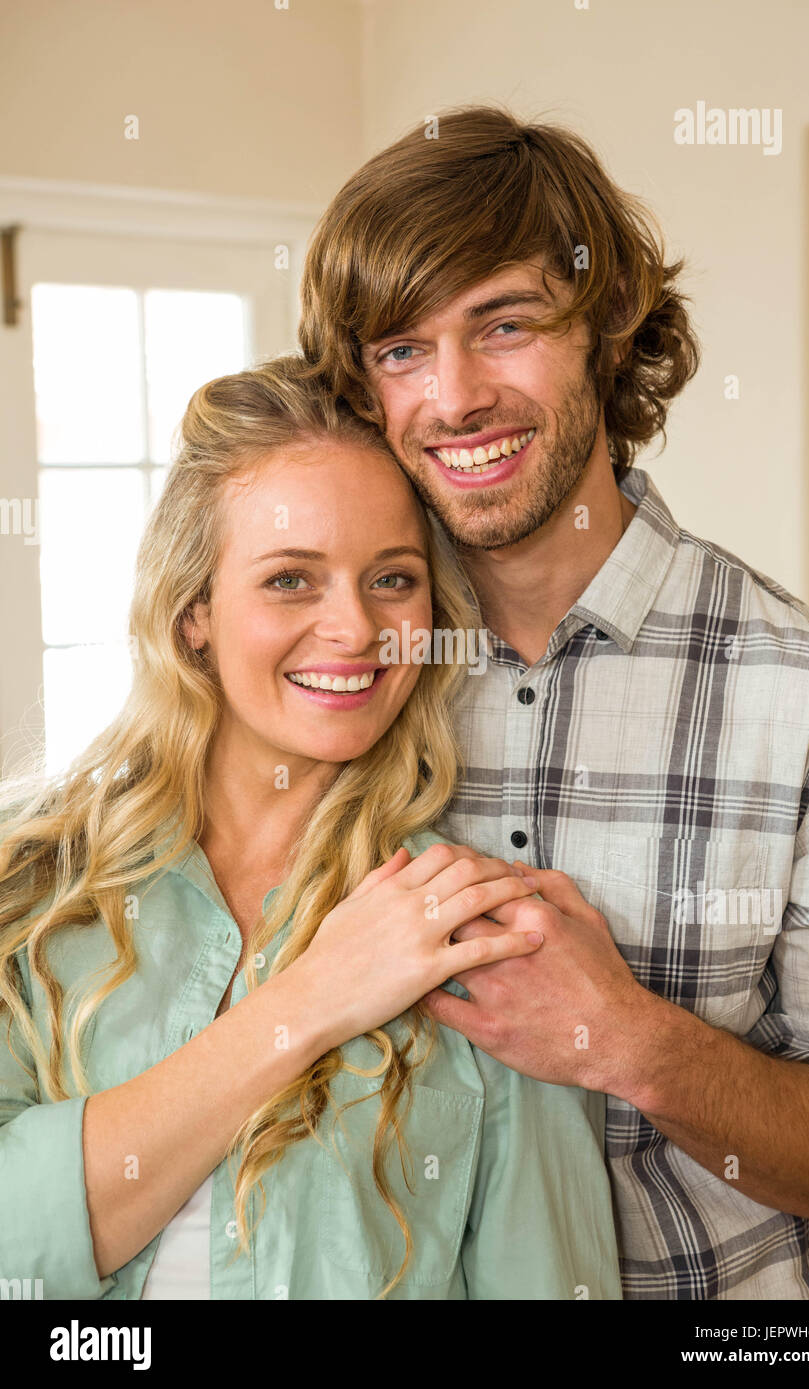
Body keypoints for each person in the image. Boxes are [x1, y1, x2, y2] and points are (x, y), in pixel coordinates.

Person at [298, 104, 809, 1300]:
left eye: (501, 325)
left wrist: (632, 1042)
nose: (450, 400)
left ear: (607, 321)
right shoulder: (338, 672)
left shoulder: (808, 699)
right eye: (399, 350)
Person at [0, 356, 622, 1301]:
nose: (354, 629)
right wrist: (320, 995)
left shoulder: (478, 929)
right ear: (194, 612)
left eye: (392, 579)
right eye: (292, 580)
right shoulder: (32, 887)